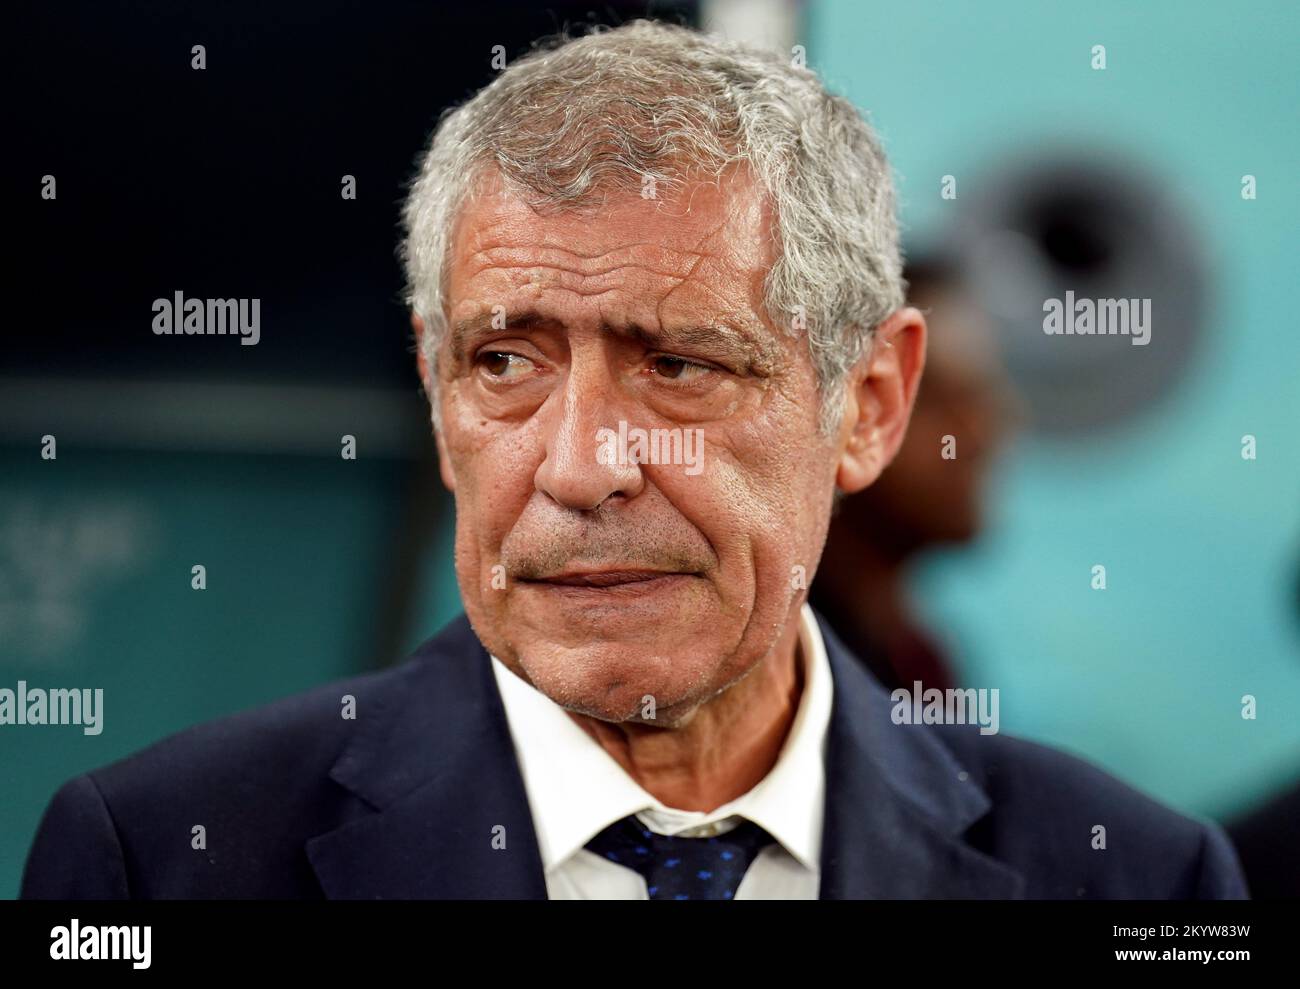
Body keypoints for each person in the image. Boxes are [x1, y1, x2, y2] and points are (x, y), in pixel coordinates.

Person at [22, 20, 1245, 900]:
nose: (580, 466)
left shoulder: (1137, 878)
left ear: (868, 404)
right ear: (437, 393)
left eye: (679, 363)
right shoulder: (161, 859)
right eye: (505, 361)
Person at [810, 254, 1018, 694]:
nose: (983, 432)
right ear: (853, 411)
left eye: (985, 397)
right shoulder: (789, 670)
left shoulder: (919, 664)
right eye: (944, 400)